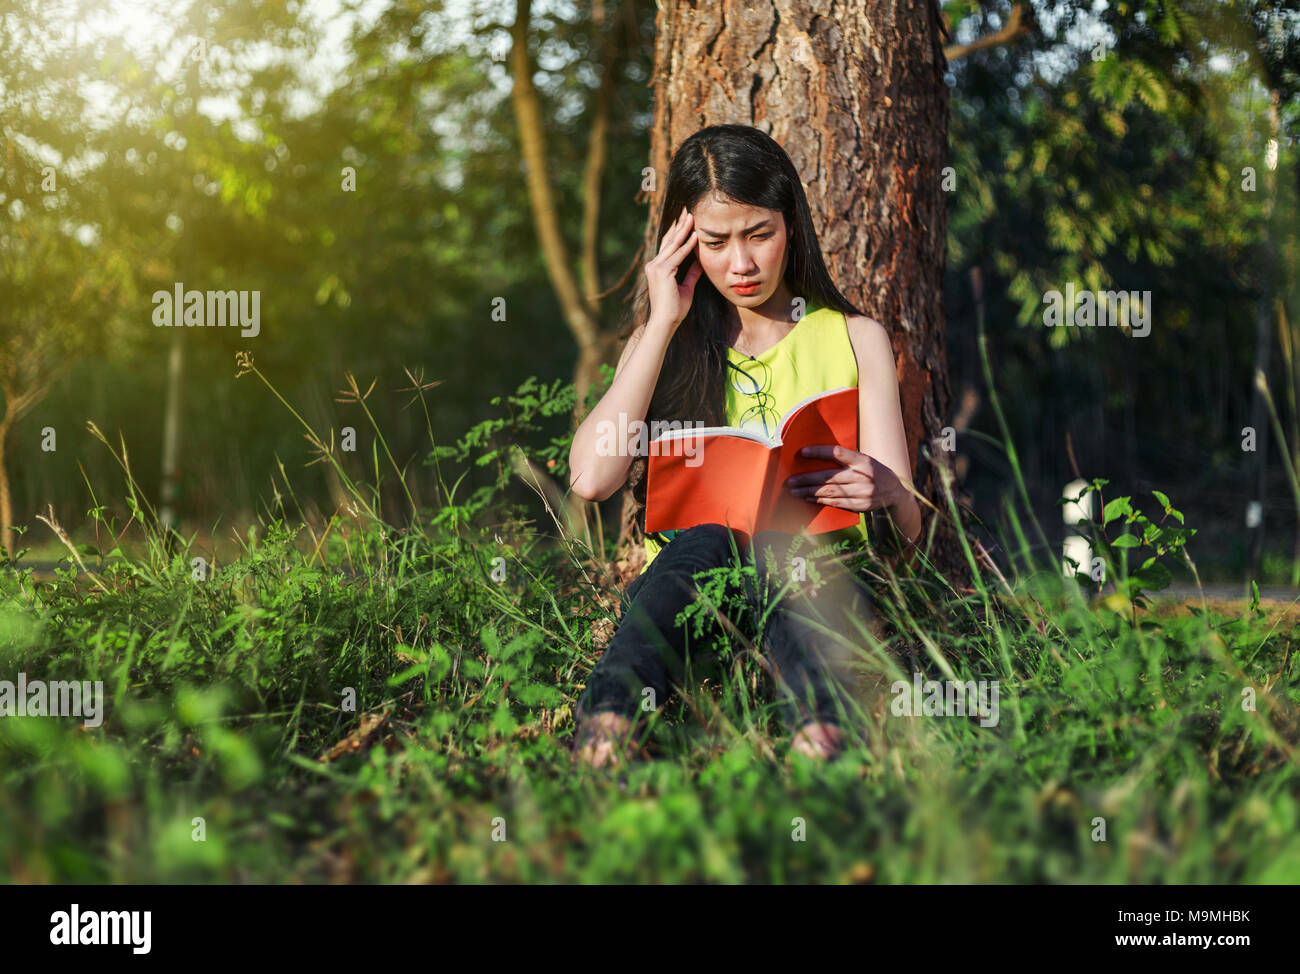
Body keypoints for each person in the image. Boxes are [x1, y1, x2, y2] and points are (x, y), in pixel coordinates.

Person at [566, 124, 923, 767]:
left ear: (792, 226)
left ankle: (822, 737)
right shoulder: (662, 346)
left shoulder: (855, 338)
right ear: (683, 244)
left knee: (788, 546)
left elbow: (910, 528)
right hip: (692, 593)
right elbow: (592, 478)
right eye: (716, 241)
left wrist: (890, 492)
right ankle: (608, 727)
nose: (742, 264)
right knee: (704, 539)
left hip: (814, 578)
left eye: (759, 234)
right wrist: (660, 323)